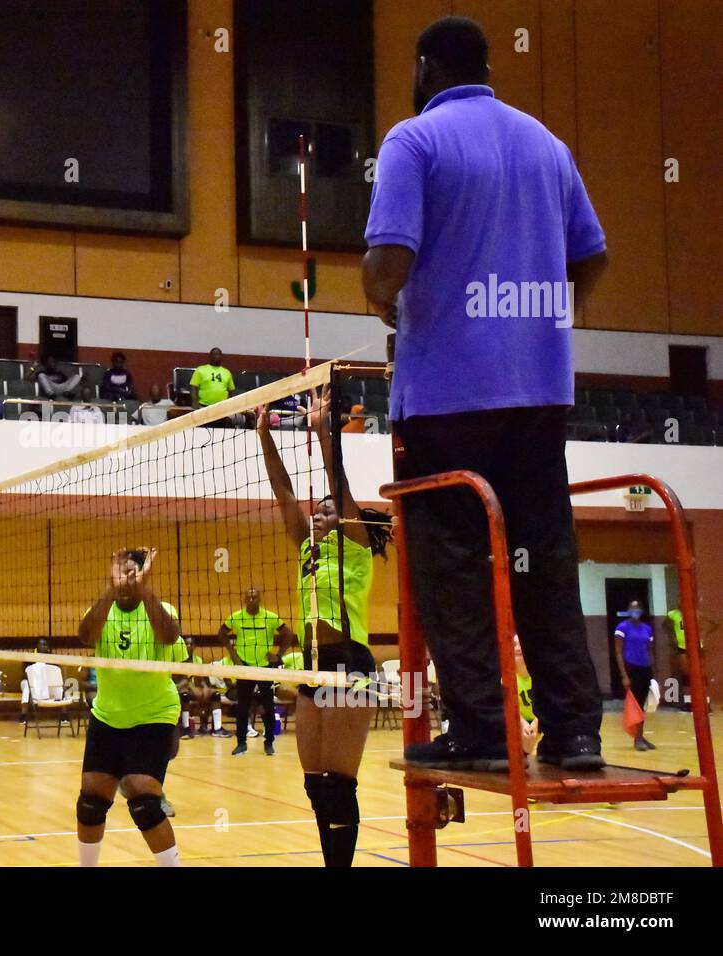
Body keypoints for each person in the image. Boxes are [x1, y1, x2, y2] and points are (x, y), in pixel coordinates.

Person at [363, 15, 608, 771]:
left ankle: (484, 733)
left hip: (447, 400)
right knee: (542, 558)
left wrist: (384, 301)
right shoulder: (548, 145)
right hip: (539, 395)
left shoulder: (414, 141)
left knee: (453, 566)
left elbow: (388, 260)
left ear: (425, 66)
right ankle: (574, 732)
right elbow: (592, 256)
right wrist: (544, 317)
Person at [258, 389, 393, 867]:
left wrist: (322, 430)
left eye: (329, 511)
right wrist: (264, 438)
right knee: (315, 784)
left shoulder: (354, 547)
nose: (319, 514)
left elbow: (341, 484)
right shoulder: (306, 548)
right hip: (314, 667)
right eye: (319, 511)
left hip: (349, 665)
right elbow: (284, 492)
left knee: (338, 784)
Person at [75, 548, 184, 866]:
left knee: (143, 799)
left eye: (133, 571)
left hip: (153, 716)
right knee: (91, 801)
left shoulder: (161, 609)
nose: (126, 577)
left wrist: (144, 588)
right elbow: (85, 636)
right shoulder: (101, 610)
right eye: (120, 570)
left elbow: (169, 635)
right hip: (108, 715)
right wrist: (112, 589)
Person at [219, 587, 293, 756]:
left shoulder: (270, 617)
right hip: (245, 667)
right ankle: (241, 743)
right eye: (249, 597)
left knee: (268, 706)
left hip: (264, 667)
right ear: (245, 600)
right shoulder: (236, 617)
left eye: (254, 597)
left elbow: (288, 633)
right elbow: (221, 633)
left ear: (260, 599)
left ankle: (269, 743)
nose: (251, 600)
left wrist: (279, 655)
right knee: (243, 707)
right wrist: (233, 655)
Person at [614, 600, 656, 751]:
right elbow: (618, 652)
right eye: (632, 608)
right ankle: (637, 739)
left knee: (643, 704)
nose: (635, 611)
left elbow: (650, 650)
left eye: (638, 608)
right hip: (631, 668)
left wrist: (653, 670)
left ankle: (641, 735)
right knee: (635, 704)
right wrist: (624, 675)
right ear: (628, 610)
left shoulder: (647, 629)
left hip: (645, 668)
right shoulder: (622, 627)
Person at [513, 635, 541, 757]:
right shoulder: (507, 677)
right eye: (514, 645)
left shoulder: (540, 674)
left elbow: (549, 704)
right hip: (520, 719)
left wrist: (537, 722)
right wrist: (522, 722)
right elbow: (507, 705)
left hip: (540, 718)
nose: (518, 648)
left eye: (521, 644)